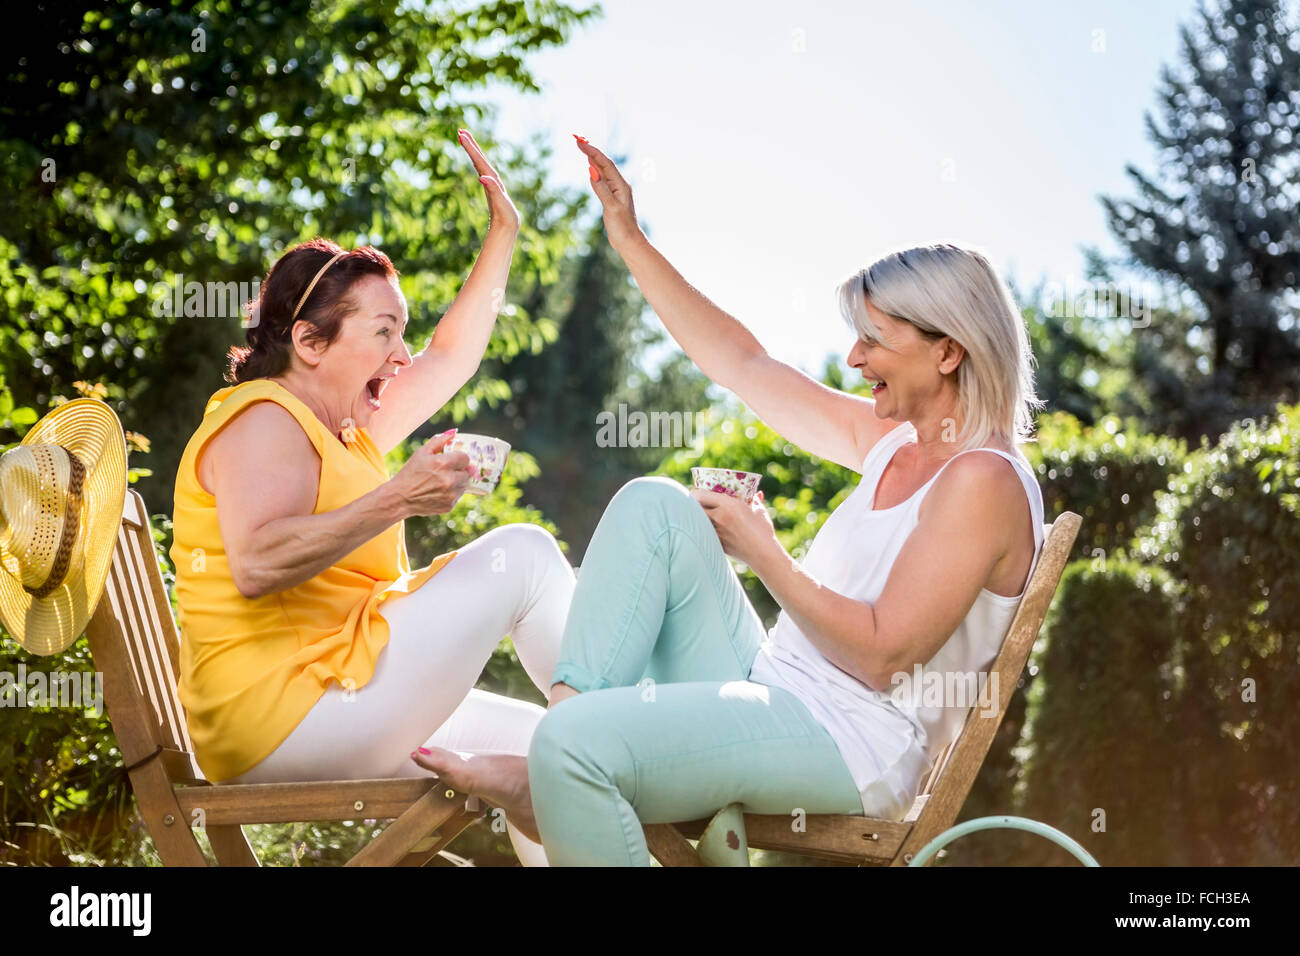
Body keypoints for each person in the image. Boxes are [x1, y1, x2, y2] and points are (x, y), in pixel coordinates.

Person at [412, 136, 1048, 865]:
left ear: (948, 350)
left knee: (573, 751)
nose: (854, 359)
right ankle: (559, 756)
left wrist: (765, 552)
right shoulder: (892, 442)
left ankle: (559, 766)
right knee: (655, 506)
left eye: (874, 338)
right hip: (776, 686)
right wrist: (629, 237)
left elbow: (881, 658)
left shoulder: (984, 481)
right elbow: (742, 363)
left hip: (855, 740)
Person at [170, 131, 571, 866]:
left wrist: (504, 231)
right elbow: (256, 563)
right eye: (385, 331)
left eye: (402, 332)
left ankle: (594, 744)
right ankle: (615, 733)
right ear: (311, 343)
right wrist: (399, 498)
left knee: (556, 757)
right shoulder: (265, 417)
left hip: (336, 690)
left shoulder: (344, 425)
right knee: (527, 556)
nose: (402, 355)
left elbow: (452, 355)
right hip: (283, 715)